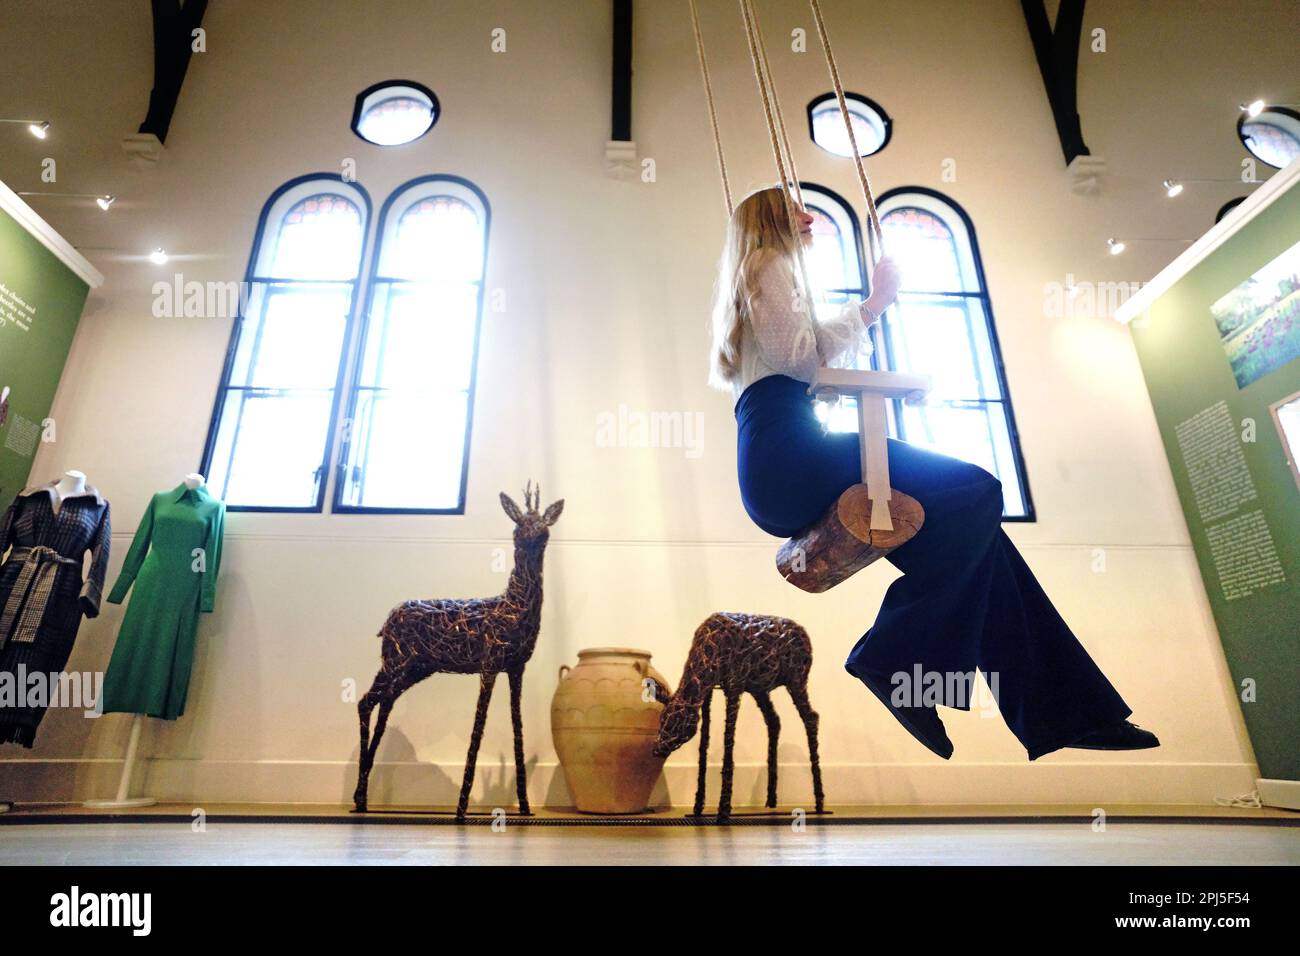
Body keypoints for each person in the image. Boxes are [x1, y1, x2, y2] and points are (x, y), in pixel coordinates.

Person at [710, 185, 1159, 760]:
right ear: (771, 219)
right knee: (977, 490)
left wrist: (871, 310)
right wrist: (875, 304)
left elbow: (800, 356)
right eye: (794, 207)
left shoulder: (759, 280)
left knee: (984, 547)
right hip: (790, 458)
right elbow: (804, 360)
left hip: (782, 461)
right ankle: (891, 656)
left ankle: (1068, 711)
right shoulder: (769, 265)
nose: (807, 217)